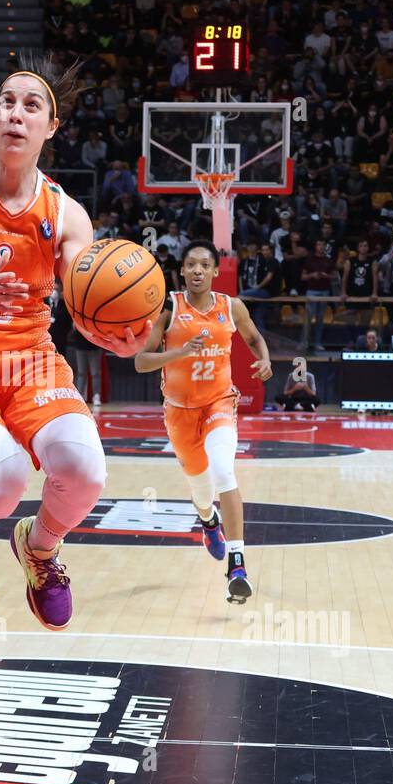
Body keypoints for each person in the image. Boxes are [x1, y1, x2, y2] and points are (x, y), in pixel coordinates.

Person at [0, 51, 150, 631]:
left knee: (87, 469)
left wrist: (116, 335)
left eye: (31, 105)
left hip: (31, 363)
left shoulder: (67, 213)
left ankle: (39, 548)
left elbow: (83, 298)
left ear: (51, 126)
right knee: (3, 484)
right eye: (6, 102)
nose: (15, 113)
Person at [133, 240, 273, 603]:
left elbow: (256, 339)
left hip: (219, 403)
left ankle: (237, 562)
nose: (197, 270)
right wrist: (178, 352)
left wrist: (265, 361)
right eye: (190, 265)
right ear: (182, 271)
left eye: (204, 265)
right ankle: (209, 522)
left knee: (225, 471)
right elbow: (141, 361)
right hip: (179, 411)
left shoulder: (232, 307)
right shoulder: (169, 308)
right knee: (200, 490)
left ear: (214, 271)